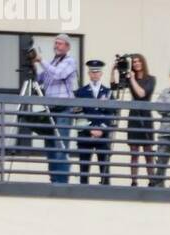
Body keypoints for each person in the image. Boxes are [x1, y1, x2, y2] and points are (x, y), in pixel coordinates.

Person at [30, 33, 77, 184]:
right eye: (56, 43)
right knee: (50, 147)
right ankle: (53, 179)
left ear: (67, 46)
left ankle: (61, 183)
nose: (57, 46)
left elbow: (58, 74)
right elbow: (41, 79)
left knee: (61, 146)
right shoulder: (53, 62)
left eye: (60, 43)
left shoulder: (70, 61)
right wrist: (33, 65)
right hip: (51, 109)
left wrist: (41, 60)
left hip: (63, 109)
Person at [74, 59, 116, 185]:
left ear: (101, 73)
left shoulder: (108, 92)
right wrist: (90, 129)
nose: (95, 74)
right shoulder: (80, 92)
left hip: (103, 135)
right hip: (85, 134)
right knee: (84, 170)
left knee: (104, 170)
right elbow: (78, 114)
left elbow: (111, 114)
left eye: (97, 72)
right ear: (89, 73)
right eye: (92, 72)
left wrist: (101, 129)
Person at [117, 53, 155, 186]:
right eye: (134, 62)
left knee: (148, 152)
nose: (136, 64)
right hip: (133, 116)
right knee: (134, 152)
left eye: (138, 61)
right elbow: (115, 87)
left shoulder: (151, 79)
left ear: (143, 62)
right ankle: (134, 181)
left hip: (145, 117)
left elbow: (142, 93)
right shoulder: (129, 77)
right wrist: (114, 68)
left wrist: (132, 79)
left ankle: (152, 181)